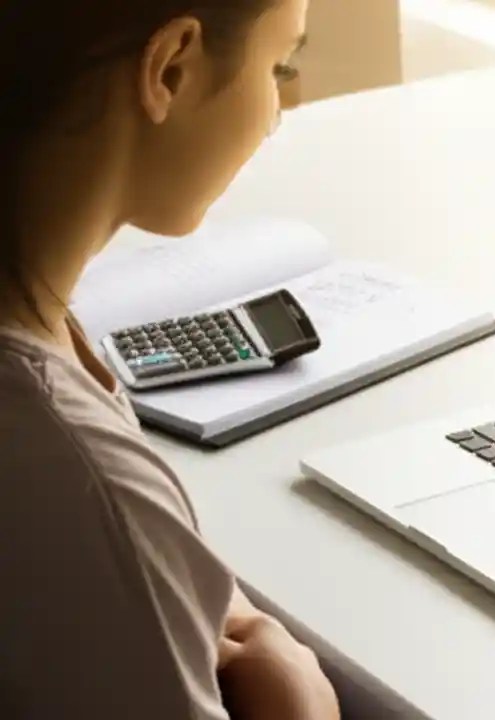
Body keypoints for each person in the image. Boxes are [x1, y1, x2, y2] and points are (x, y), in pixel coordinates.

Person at [0, 1, 346, 717]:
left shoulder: (46, 331)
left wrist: (186, 592)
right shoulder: (73, 470)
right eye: (277, 66)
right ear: (172, 68)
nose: (277, 114)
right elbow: (97, 516)